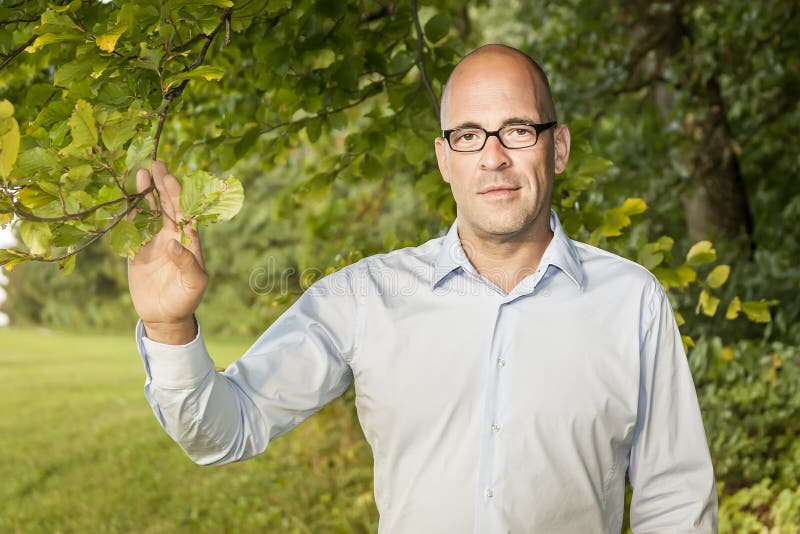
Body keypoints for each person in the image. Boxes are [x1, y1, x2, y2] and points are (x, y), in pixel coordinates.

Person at [129, 44, 718, 533]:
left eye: (517, 130)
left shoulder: (631, 301)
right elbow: (225, 430)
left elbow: (675, 502)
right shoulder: (364, 298)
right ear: (443, 158)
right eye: (467, 135)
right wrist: (169, 328)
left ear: (557, 147)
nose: (492, 157)